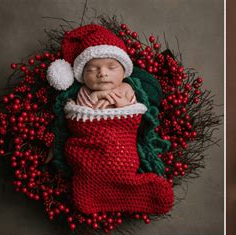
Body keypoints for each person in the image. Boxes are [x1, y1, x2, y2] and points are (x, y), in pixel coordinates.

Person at [46, 24, 174, 215]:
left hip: (121, 146)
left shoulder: (128, 88)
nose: (102, 73)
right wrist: (94, 100)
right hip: (89, 147)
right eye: (92, 69)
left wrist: (124, 106)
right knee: (88, 169)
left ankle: (120, 186)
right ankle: (90, 191)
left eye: (111, 67)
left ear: (124, 71)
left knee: (124, 164)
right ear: (81, 75)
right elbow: (78, 113)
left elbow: (134, 117)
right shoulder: (82, 92)